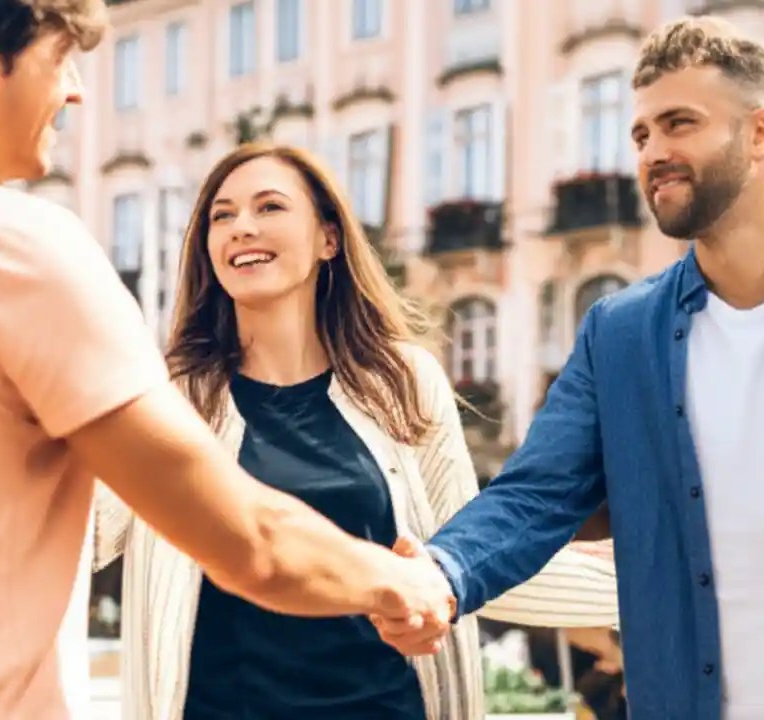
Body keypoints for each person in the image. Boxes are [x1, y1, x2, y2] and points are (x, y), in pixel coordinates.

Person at [0, 2, 454, 717]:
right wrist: (403, 584)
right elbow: (248, 542)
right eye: (58, 56)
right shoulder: (10, 247)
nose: (74, 88)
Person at [375, 15, 764, 720]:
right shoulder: (618, 335)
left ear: (763, 132)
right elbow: (534, 495)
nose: (652, 152)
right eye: (641, 134)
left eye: (680, 124)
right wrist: (443, 570)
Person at [91, 142, 620, 720]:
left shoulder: (403, 382)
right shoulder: (169, 396)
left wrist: (651, 576)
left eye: (269, 207)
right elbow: (80, 535)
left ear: (328, 239)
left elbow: (470, 557)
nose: (241, 227)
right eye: (222, 215)